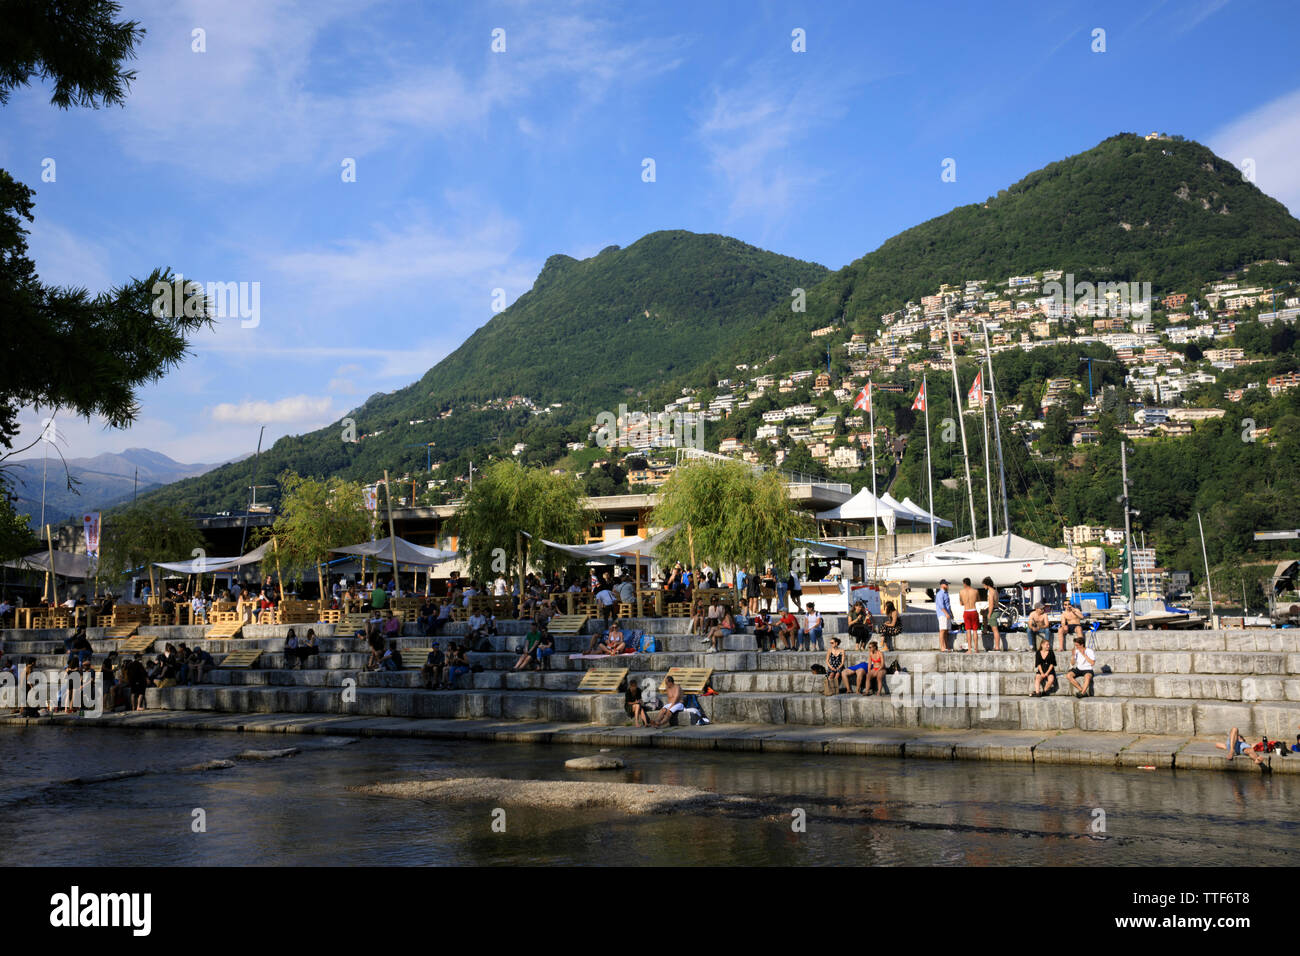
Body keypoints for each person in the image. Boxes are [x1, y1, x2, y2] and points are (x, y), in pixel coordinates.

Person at [981, 577, 1003, 651]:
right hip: (997, 610)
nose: (983, 586)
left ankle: (997, 647)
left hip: (993, 612)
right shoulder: (995, 591)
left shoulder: (990, 593)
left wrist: (989, 614)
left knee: (995, 630)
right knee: (995, 630)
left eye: (984, 585)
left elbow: (991, 605)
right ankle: (997, 646)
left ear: (987, 585)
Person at [959, 578, 981, 653]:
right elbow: (978, 599)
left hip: (966, 611)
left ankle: (969, 649)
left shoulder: (961, 592)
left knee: (968, 630)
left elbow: (961, 603)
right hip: (974, 610)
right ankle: (976, 649)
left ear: (964, 584)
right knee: (975, 631)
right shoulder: (975, 591)